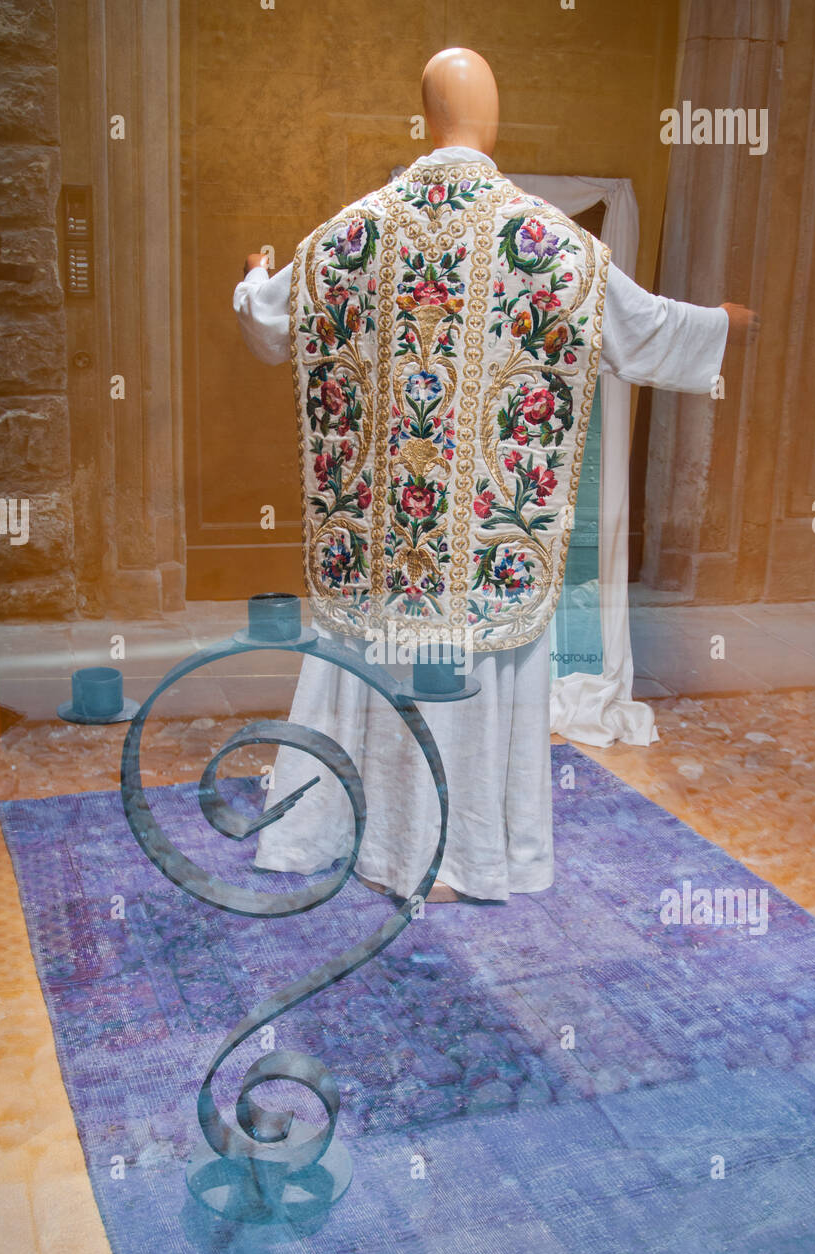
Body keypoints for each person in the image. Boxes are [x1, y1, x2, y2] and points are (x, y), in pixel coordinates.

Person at [233, 48, 758, 903]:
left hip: (378, 541)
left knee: (377, 654)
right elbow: (644, 329)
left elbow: (267, 320)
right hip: (485, 546)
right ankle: (465, 854)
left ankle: (355, 828)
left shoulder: (347, 232)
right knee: (468, 673)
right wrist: (724, 323)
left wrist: (255, 275)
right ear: (492, 116)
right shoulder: (547, 238)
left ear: (426, 113)